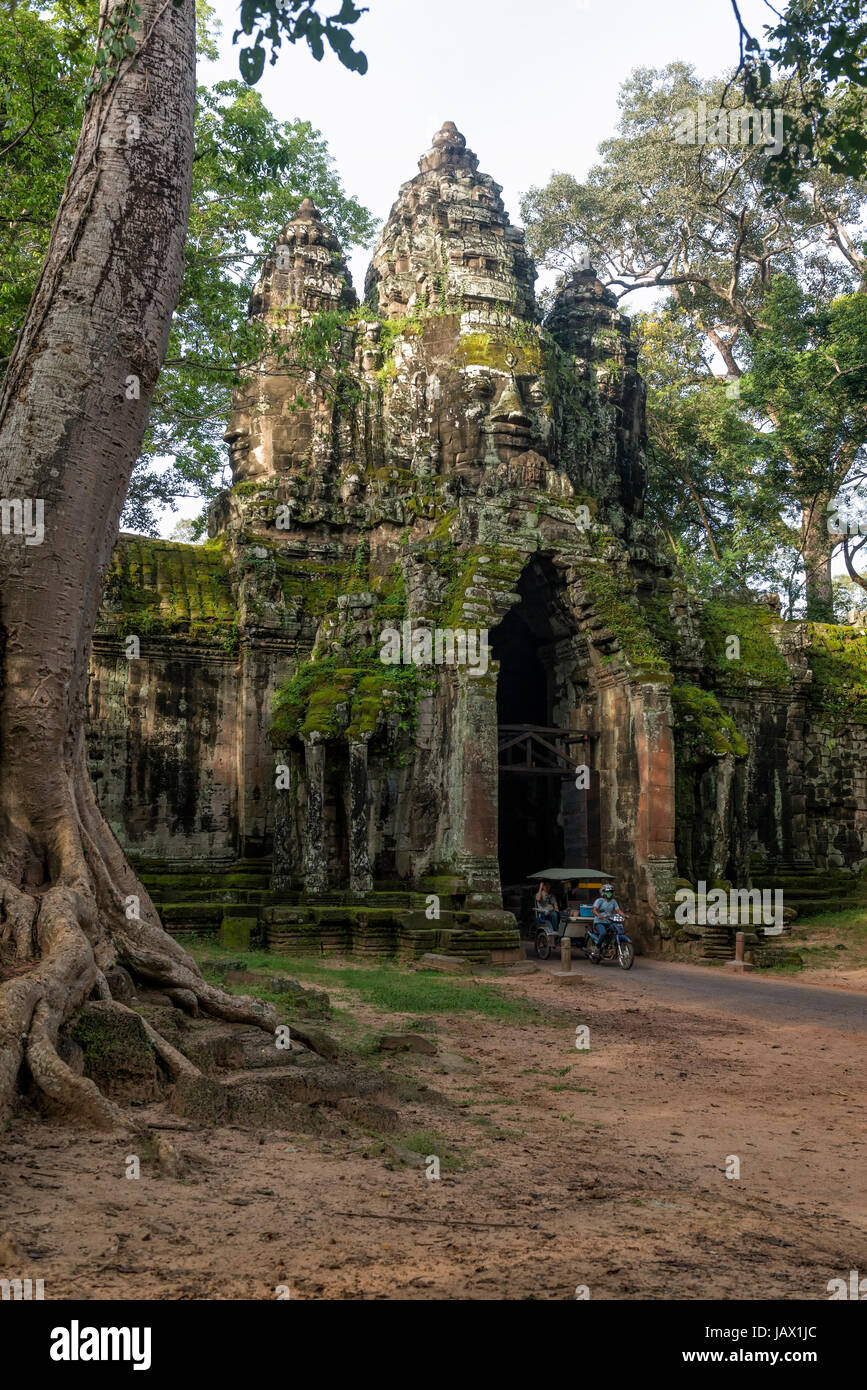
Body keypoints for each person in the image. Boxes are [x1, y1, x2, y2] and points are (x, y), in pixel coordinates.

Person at [591, 882, 624, 951]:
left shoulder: (613, 901)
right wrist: (599, 915)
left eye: (611, 892)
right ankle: (597, 947)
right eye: (607, 892)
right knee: (603, 933)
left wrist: (624, 915)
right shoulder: (599, 901)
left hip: (609, 922)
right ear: (603, 892)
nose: (609, 893)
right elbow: (594, 910)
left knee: (617, 930)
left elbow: (618, 911)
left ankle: (611, 946)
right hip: (599, 922)